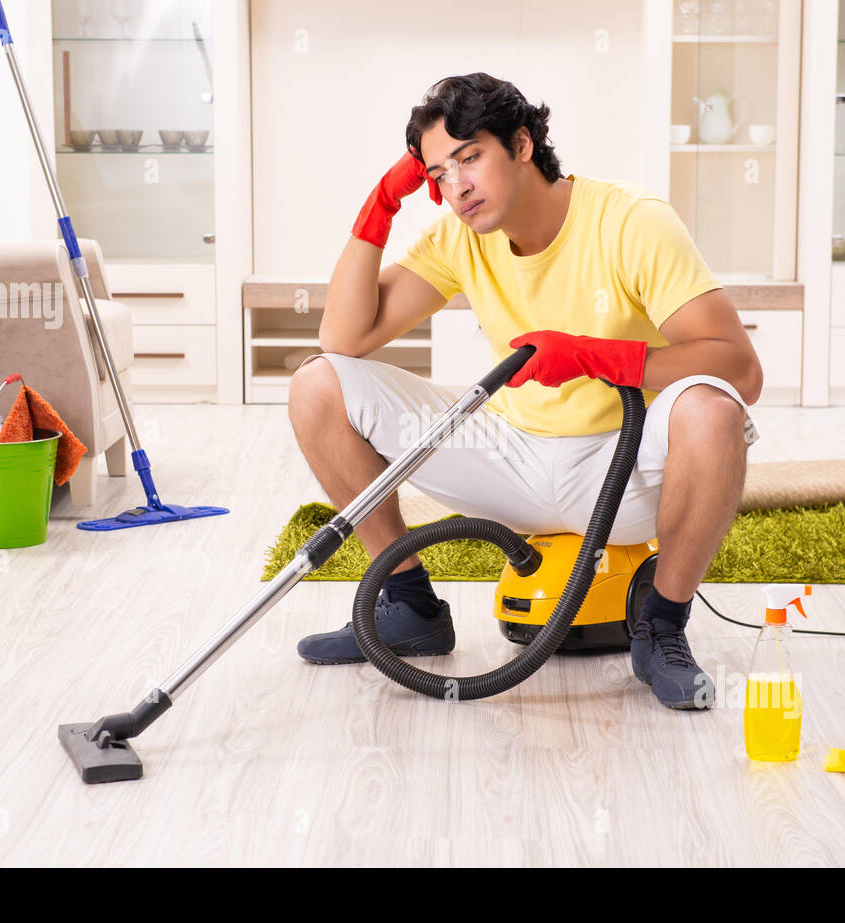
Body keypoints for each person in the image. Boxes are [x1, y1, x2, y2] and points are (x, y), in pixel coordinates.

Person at [288, 73, 762, 710]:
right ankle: (410, 607)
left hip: (621, 469)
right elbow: (343, 338)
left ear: (521, 145)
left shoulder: (630, 221)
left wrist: (598, 357)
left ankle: (662, 628)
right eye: (436, 173)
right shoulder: (462, 236)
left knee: (713, 408)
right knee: (318, 384)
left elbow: (741, 368)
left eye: (469, 157)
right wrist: (380, 205)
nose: (455, 186)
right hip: (511, 454)